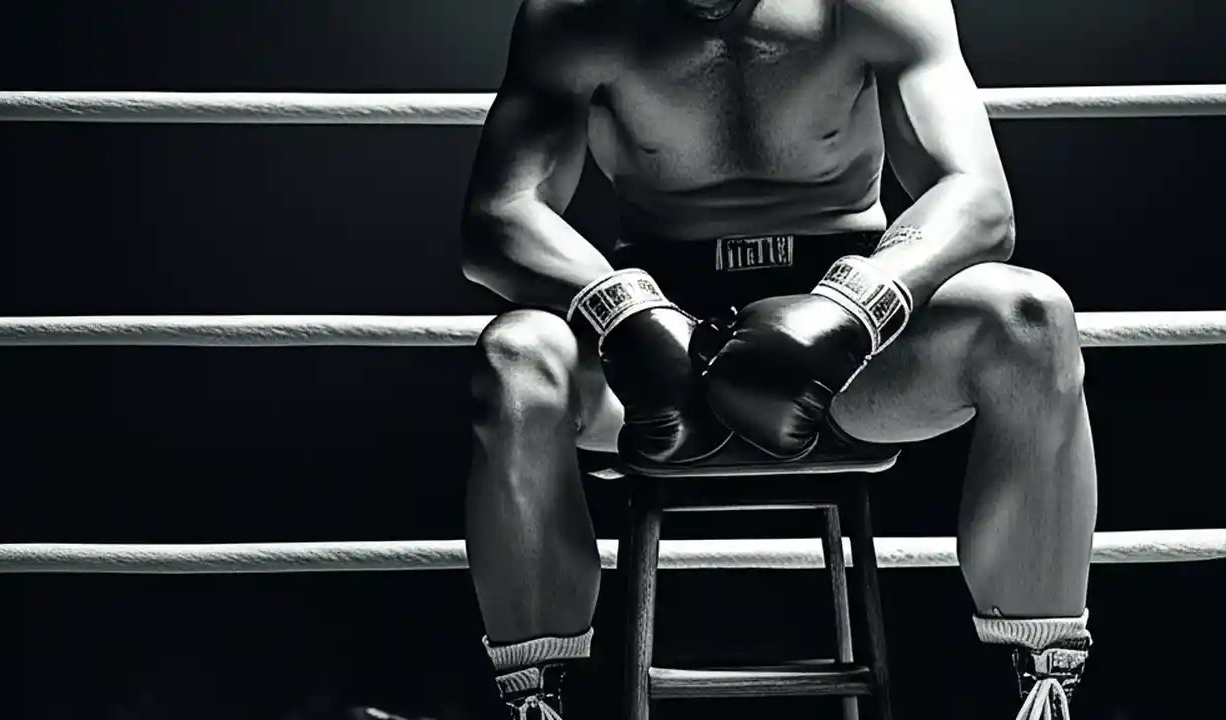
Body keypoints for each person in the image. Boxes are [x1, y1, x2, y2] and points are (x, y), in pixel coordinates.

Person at [459, 1, 1097, 717]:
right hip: (658, 365)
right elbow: (499, 215)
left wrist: (853, 308)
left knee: (1030, 320)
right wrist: (625, 315)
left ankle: (1045, 689)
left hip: (850, 359)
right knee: (518, 355)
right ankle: (534, 704)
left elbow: (979, 199)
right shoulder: (579, 12)